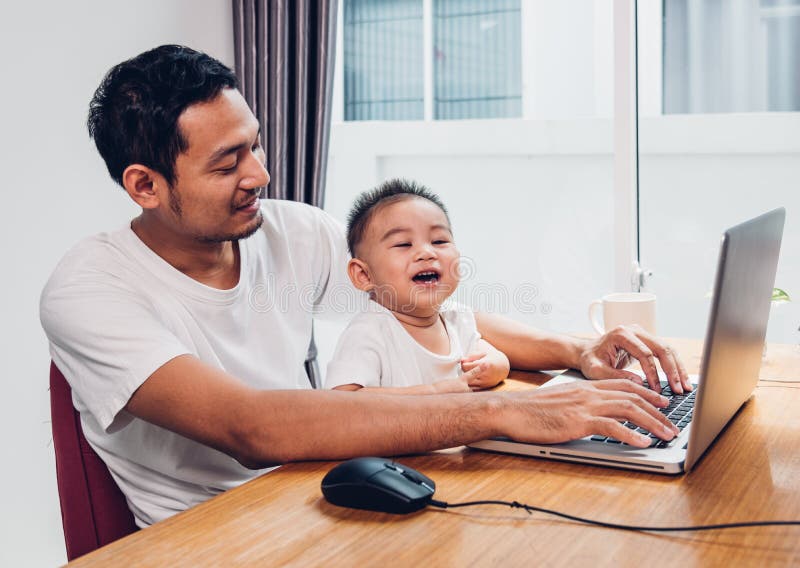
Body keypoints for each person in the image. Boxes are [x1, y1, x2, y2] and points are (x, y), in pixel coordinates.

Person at [40, 45, 690, 529]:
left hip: (317, 495)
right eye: (228, 162)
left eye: (256, 147)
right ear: (145, 185)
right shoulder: (90, 288)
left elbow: (426, 302)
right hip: (213, 534)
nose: (261, 175)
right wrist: (505, 411)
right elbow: (249, 427)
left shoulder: (290, 231)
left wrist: (577, 352)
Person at [325, 179, 510, 394]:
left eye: (439, 241)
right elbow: (345, 399)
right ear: (364, 275)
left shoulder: (456, 319)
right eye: (404, 244)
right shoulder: (369, 333)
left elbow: (489, 355)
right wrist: (433, 391)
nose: (427, 253)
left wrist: (497, 365)